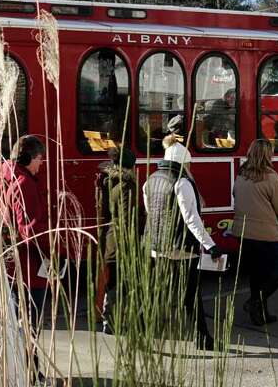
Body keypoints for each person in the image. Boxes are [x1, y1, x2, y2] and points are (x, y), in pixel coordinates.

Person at [143, 142, 225, 351]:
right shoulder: (181, 182)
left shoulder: (150, 180)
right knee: (191, 295)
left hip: (155, 245)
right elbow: (191, 219)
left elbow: (150, 212)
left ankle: (142, 332)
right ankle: (202, 337)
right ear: (183, 162)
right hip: (181, 247)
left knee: (156, 291)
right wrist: (210, 245)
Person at [231, 139, 278, 327]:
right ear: (267, 154)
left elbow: (235, 195)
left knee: (257, 275)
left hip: (244, 232)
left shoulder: (241, 175)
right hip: (267, 233)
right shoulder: (271, 177)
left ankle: (260, 315)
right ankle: (254, 303)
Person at [0, 135, 51, 330]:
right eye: (40, 158)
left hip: (11, 263)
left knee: (16, 322)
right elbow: (30, 230)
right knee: (29, 326)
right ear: (30, 158)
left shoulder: (3, 175)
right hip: (30, 267)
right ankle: (30, 360)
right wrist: (56, 250)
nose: (41, 163)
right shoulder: (25, 184)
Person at [94, 145, 141, 333]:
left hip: (110, 238)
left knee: (113, 280)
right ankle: (116, 321)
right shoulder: (126, 184)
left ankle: (108, 320)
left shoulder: (107, 180)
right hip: (122, 239)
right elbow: (127, 216)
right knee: (123, 282)